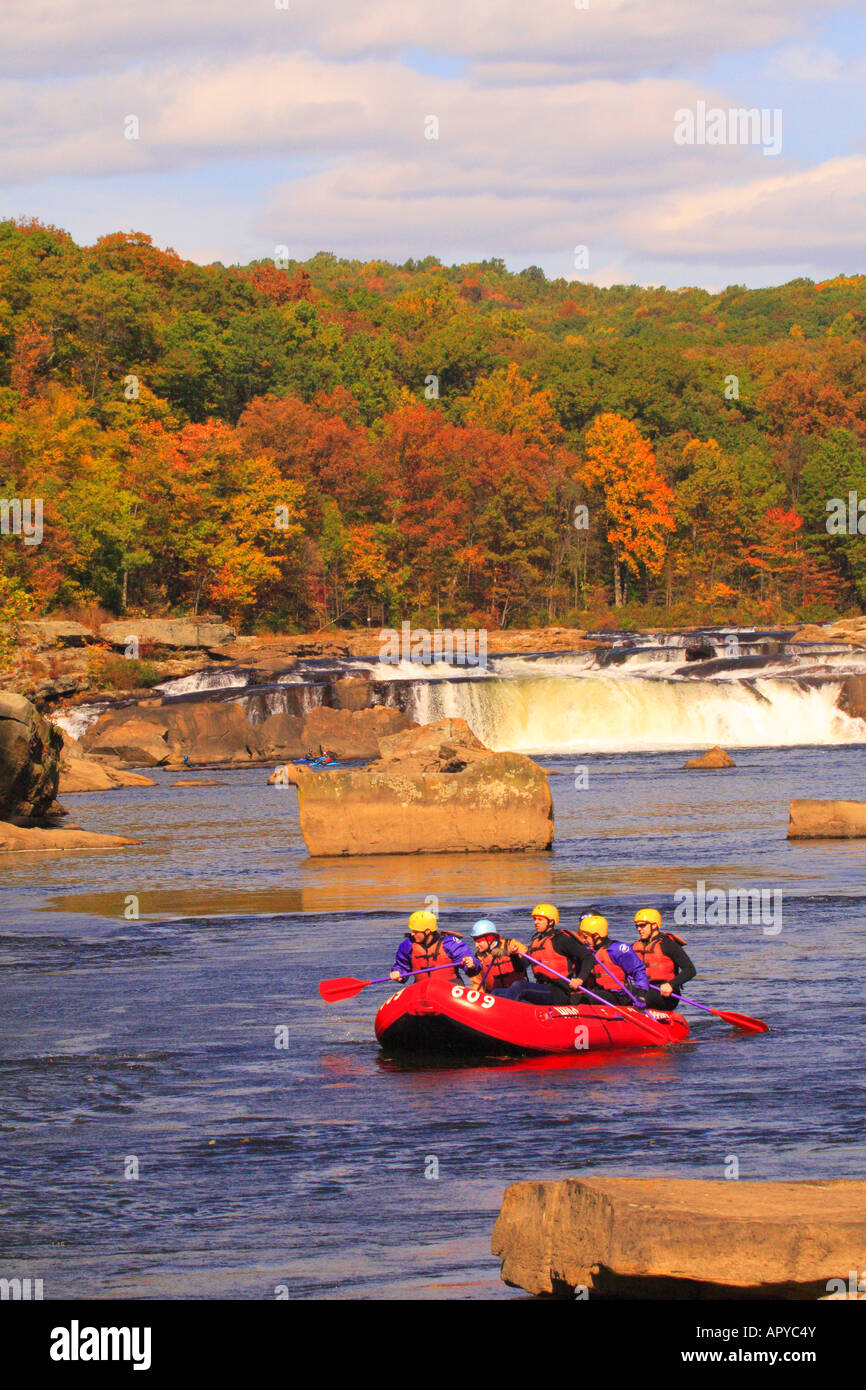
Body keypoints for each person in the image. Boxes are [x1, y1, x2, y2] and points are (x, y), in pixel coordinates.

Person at [500, 903, 595, 1006]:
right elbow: (521, 967)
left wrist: (580, 979)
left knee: (519, 986)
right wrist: (513, 955)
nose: (536, 922)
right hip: (542, 988)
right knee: (498, 992)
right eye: (535, 919)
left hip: (559, 991)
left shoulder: (562, 939)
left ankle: (504, 1017)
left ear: (551, 922)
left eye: (540, 920)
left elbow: (587, 957)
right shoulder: (536, 942)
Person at [576, 912, 650, 1007]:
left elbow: (638, 971)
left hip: (618, 996)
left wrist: (641, 995)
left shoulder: (618, 949)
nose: (584, 940)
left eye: (586, 937)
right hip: (598, 993)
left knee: (584, 999)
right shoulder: (588, 952)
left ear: (596, 936)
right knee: (574, 997)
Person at [389, 910, 479, 985]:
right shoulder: (407, 945)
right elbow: (402, 966)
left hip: (450, 987)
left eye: (416, 931)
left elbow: (472, 966)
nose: (412, 934)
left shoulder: (450, 943)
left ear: (427, 931)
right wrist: (398, 972)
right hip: (421, 988)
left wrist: (472, 965)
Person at [632, 908, 696, 1012]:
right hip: (643, 989)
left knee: (643, 997)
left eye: (643, 925)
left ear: (654, 925)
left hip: (666, 994)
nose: (639, 929)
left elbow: (690, 970)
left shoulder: (668, 944)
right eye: (637, 926)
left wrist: (671, 984)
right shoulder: (635, 946)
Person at [470, 920, 529, 994]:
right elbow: (477, 983)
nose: (476, 945)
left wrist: (512, 954)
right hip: (495, 997)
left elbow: (526, 963)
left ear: (489, 938)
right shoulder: (479, 957)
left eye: (479, 941)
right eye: (474, 941)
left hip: (517, 993)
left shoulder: (511, 944)